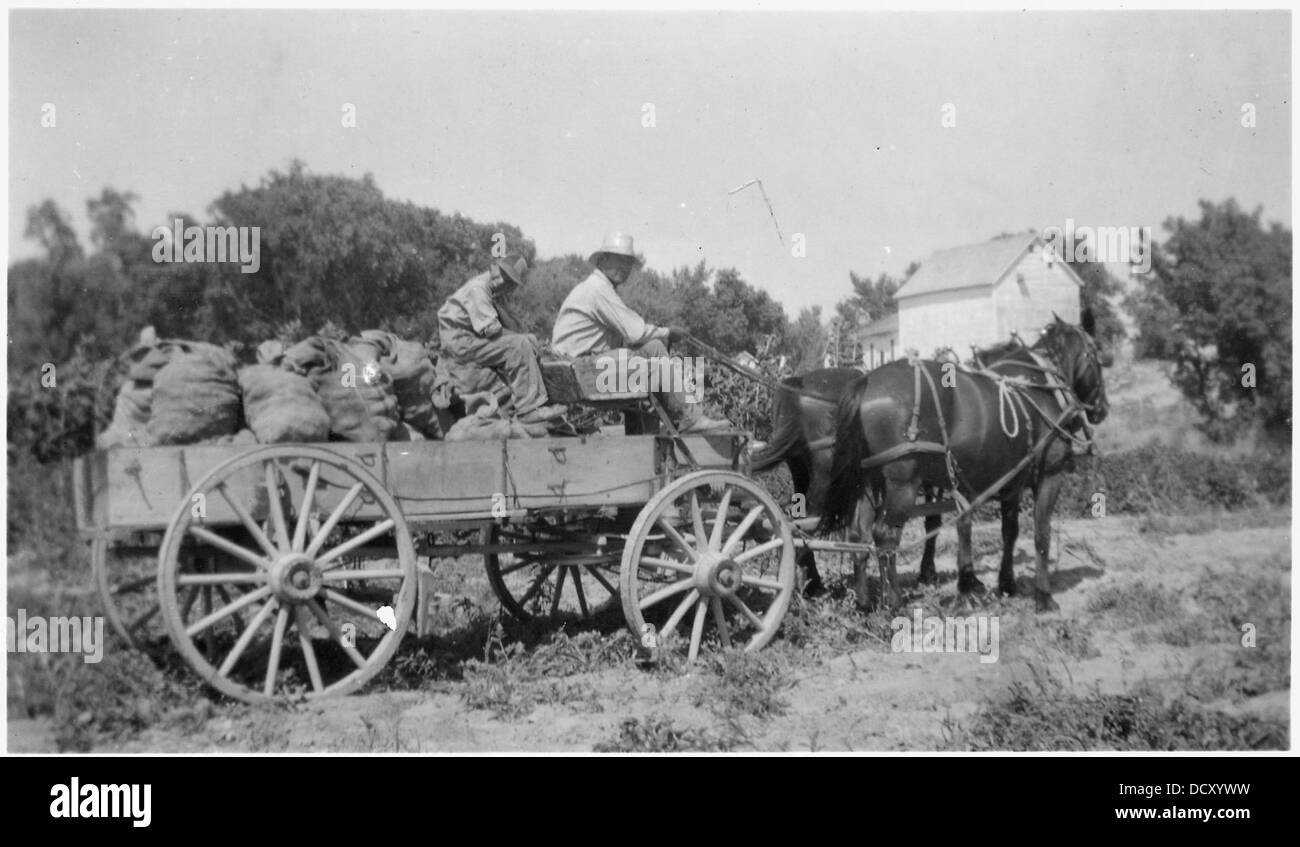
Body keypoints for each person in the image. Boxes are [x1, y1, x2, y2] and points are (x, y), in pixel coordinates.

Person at [551, 232, 729, 433]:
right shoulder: (598, 289)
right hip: (583, 370)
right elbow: (635, 332)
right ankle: (689, 417)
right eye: (618, 261)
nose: (624, 268)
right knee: (654, 357)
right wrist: (668, 332)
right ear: (602, 260)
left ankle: (669, 426)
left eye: (627, 263)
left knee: (650, 356)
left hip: (578, 368)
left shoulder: (596, 288)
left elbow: (631, 332)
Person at [437, 254, 564, 424]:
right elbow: (492, 331)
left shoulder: (493, 291)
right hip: (459, 342)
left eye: (510, 281)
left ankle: (541, 400)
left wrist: (528, 339)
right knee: (519, 345)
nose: (504, 282)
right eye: (503, 274)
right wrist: (523, 340)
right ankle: (528, 408)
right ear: (494, 267)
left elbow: (513, 328)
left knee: (527, 340)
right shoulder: (479, 289)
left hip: (470, 340)